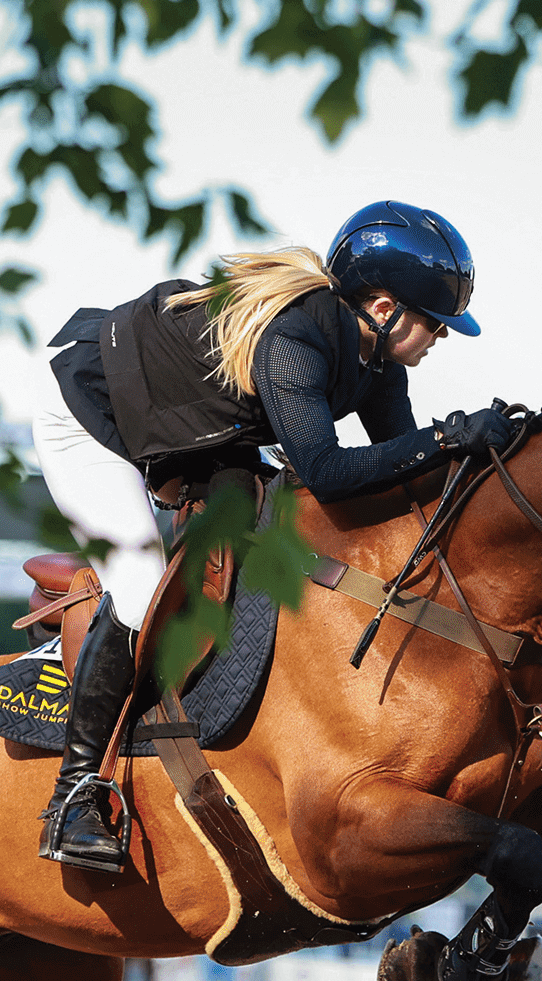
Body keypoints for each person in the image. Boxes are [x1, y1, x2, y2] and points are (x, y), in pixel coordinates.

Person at [27, 200, 517, 874]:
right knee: (142, 591)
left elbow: (403, 477)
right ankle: (76, 793)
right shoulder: (296, 337)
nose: (443, 336)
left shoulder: (375, 365)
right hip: (89, 413)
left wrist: (476, 463)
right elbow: (329, 472)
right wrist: (442, 438)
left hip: (189, 427)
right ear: (382, 309)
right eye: (436, 322)